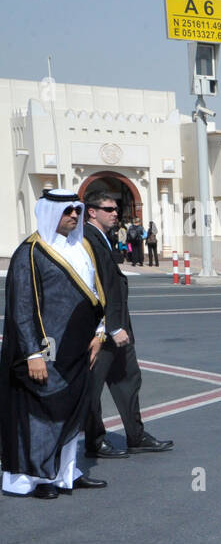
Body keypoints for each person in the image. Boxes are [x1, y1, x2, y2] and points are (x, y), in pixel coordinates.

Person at [1, 189, 108, 498]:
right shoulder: (31, 252)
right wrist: (33, 353)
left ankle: (65, 474)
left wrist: (99, 333)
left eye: (77, 210)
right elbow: (22, 307)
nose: (74, 216)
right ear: (49, 213)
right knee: (42, 413)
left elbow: (95, 294)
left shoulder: (83, 246)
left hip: (79, 347)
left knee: (71, 411)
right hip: (47, 350)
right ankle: (35, 478)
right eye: (66, 211)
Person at [81, 190, 173, 457]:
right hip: (103, 331)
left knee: (129, 379)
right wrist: (112, 327)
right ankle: (95, 441)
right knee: (93, 387)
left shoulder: (103, 238)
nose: (115, 213)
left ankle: (135, 434)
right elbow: (96, 287)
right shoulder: (87, 239)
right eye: (108, 209)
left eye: (116, 208)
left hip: (119, 326)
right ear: (93, 212)